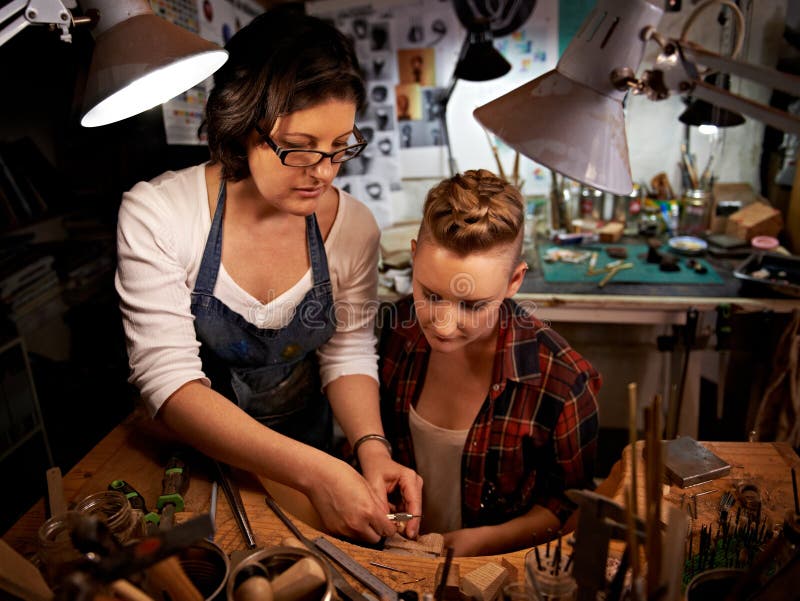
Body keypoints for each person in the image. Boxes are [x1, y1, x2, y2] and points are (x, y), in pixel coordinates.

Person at [115, 5, 422, 543]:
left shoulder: (353, 228)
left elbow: (347, 350)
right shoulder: (160, 213)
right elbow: (169, 382)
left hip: (309, 443)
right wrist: (318, 473)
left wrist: (370, 446)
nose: (322, 173)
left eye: (339, 148)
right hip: (199, 458)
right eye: (299, 149)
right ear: (239, 123)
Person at [379, 169, 601, 555]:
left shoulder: (561, 381)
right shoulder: (393, 333)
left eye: (472, 305)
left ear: (514, 281)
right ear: (414, 256)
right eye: (430, 295)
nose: (444, 325)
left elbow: (568, 502)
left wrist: (479, 544)